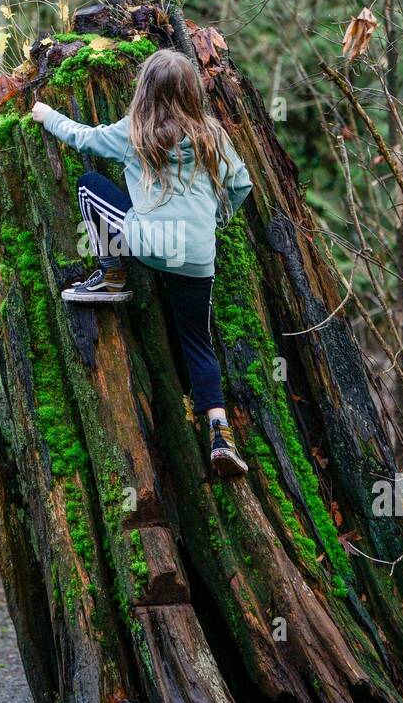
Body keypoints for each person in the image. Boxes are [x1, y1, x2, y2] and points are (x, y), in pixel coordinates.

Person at [30, 47, 252, 476]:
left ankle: (110, 274)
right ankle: (220, 433)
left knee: (89, 185)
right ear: (191, 91)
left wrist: (46, 115)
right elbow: (240, 185)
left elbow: (83, 138)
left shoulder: (135, 131)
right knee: (198, 343)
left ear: (144, 90)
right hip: (197, 256)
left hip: (150, 246)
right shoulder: (211, 133)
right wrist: (215, 220)